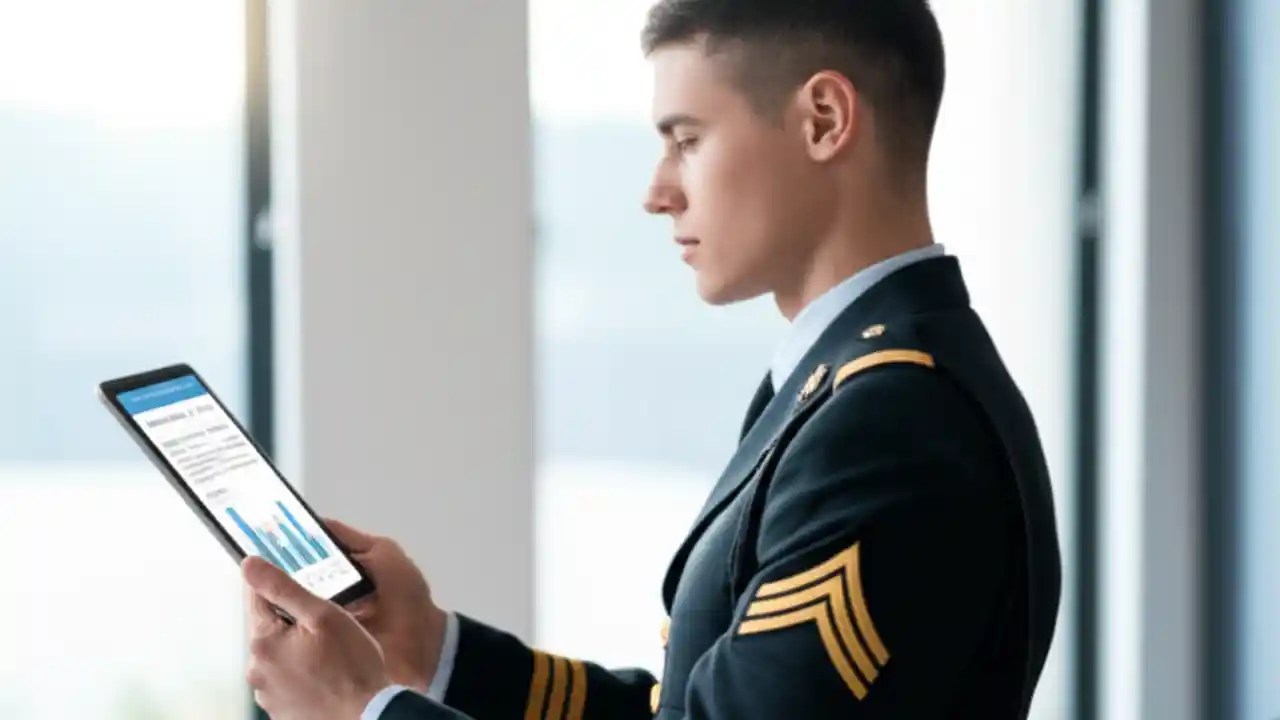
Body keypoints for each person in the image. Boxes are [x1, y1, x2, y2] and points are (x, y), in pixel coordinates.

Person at [241, 1, 1063, 718]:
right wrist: (434, 651)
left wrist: (367, 709)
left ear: (823, 119)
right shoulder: (862, 384)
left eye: (688, 140)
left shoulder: (892, 423)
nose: (657, 190)